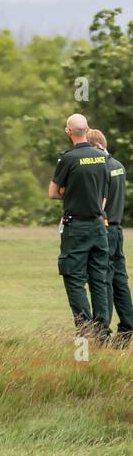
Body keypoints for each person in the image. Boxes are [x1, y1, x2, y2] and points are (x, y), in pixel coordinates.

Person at [49, 113, 112, 337]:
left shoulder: (68, 159)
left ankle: (85, 330)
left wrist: (70, 191)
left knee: (74, 278)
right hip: (99, 226)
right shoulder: (102, 157)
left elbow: (53, 193)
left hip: (76, 228)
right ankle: (102, 333)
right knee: (99, 280)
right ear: (86, 131)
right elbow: (103, 194)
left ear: (69, 132)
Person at [88, 129, 131, 343]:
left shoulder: (102, 168)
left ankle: (102, 331)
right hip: (117, 228)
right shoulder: (118, 166)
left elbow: (100, 203)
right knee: (119, 279)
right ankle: (128, 326)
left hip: (104, 229)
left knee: (103, 279)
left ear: (96, 146)